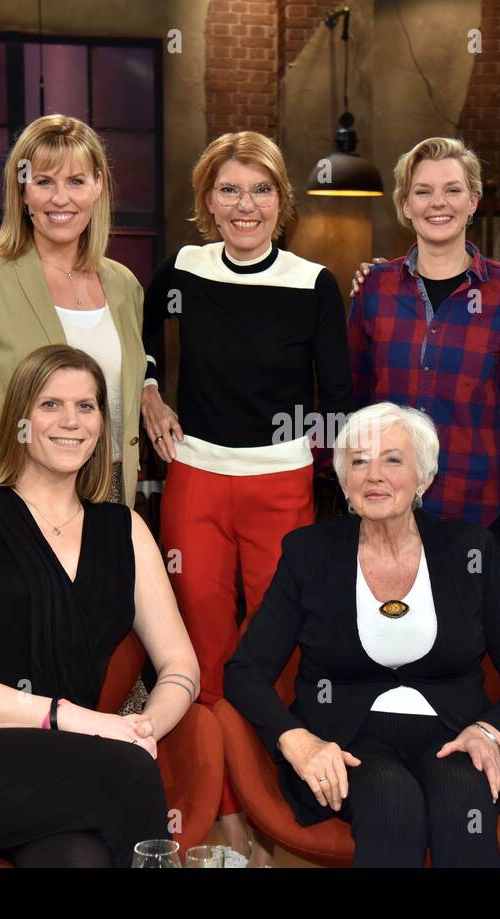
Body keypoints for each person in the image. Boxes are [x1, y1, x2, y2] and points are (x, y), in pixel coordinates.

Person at [0, 345, 200, 867]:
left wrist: (143, 728)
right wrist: (78, 721)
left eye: (87, 406)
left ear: (102, 423)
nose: (70, 421)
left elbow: (180, 664)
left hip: (60, 766)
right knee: (128, 773)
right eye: (50, 405)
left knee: (78, 858)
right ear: (20, 421)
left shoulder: (125, 531)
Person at [140, 131, 352, 863]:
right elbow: (140, 337)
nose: (245, 205)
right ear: (207, 201)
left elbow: (342, 397)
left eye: (260, 189)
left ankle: (272, 800)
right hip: (193, 477)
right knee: (197, 650)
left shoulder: (313, 281)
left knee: (279, 648)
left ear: (281, 200)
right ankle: (222, 812)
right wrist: (147, 393)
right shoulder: (182, 268)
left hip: (282, 481)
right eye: (228, 190)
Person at [224, 403, 500, 866]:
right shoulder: (308, 553)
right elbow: (244, 671)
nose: (373, 475)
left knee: (463, 802)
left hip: (454, 735)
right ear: (343, 481)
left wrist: (490, 732)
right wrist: (296, 740)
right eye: (359, 461)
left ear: (423, 477)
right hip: (345, 742)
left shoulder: (469, 551)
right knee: (391, 802)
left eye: (393, 460)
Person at [0, 114, 148, 524]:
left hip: (100, 500)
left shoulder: (125, 287)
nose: (61, 199)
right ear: (22, 193)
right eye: (44, 182)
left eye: (76, 181)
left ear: (97, 187)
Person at [347, 137, 500, 553]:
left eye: (452, 190)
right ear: (405, 205)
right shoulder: (373, 290)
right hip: (384, 500)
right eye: (423, 191)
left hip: (472, 505)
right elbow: (352, 397)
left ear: (473, 200)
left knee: (468, 619)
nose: (438, 203)